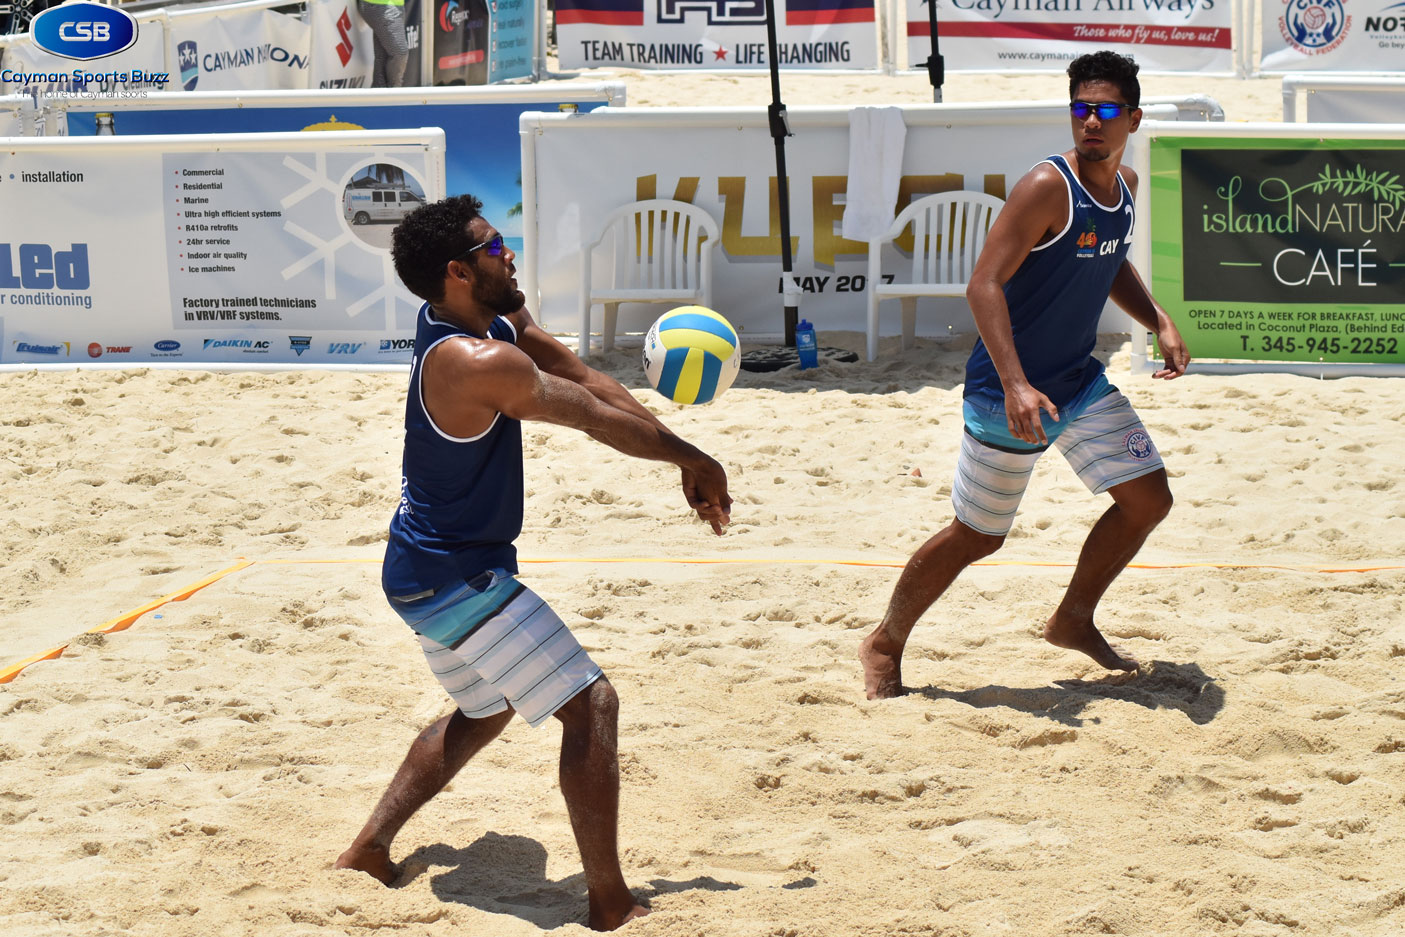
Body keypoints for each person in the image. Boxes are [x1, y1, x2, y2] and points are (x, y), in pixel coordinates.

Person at [335, 194, 732, 930]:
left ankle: (365, 849)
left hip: (422, 568)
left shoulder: (481, 319)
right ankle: (610, 901)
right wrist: (693, 455)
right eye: (492, 248)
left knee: (485, 708)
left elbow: (587, 380)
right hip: (454, 576)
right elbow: (588, 417)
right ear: (457, 270)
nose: (508, 252)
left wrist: (678, 449)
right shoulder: (474, 359)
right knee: (592, 703)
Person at [860, 51, 1191, 699]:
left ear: (1132, 117)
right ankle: (883, 641)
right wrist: (1013, 382)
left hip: (1074, 380)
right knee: (977, 536)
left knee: (1149, 498)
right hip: (1008, 391)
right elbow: (982, 283)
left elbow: (1112, 261)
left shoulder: (1122, 182)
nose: (1089, 122)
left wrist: (1159, 320)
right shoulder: (1045, 187)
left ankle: (1071, 617)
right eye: (1079, 109)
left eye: (1103, 111)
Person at [358, 0, 410, 88]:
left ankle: (379, 96)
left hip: (392, 5)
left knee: (382, 58)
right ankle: (393, 95)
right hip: (380, 5)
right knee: (400, 53)